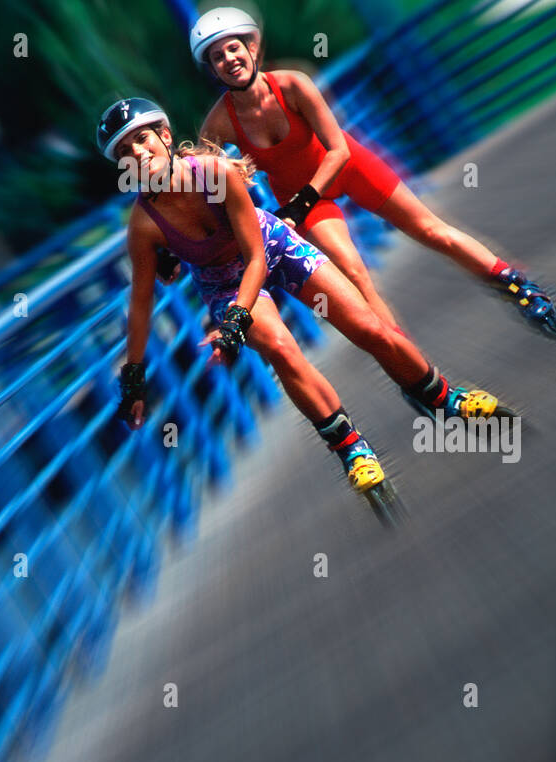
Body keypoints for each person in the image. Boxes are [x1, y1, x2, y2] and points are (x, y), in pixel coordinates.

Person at [96, 96, 509, 497]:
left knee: (368, 327)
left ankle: (444, 397)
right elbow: (140, 305)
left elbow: (257, 255)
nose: (138, 153)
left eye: (142, 139)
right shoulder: (144, 227)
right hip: (223, 281)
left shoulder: (215, 174)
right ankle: (350, 447)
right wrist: (133, 379)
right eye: (124, 152)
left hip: (269, 247)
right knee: (279, 346)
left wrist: (236, 320)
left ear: (165, 136)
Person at [189, 7, 556, 336]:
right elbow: (205, 189)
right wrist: (182, 241)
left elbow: (337, 150)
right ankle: (410, 365)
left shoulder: (292, 85)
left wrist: (299, 206)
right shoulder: (219, 124)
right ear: (212, 70)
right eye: (218, 57)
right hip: (298, 196)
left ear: (252, 48)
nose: (229, 59)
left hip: (341, 168)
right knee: (353, 272)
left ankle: (520, 287)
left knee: (430, 230)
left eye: (234, 48)